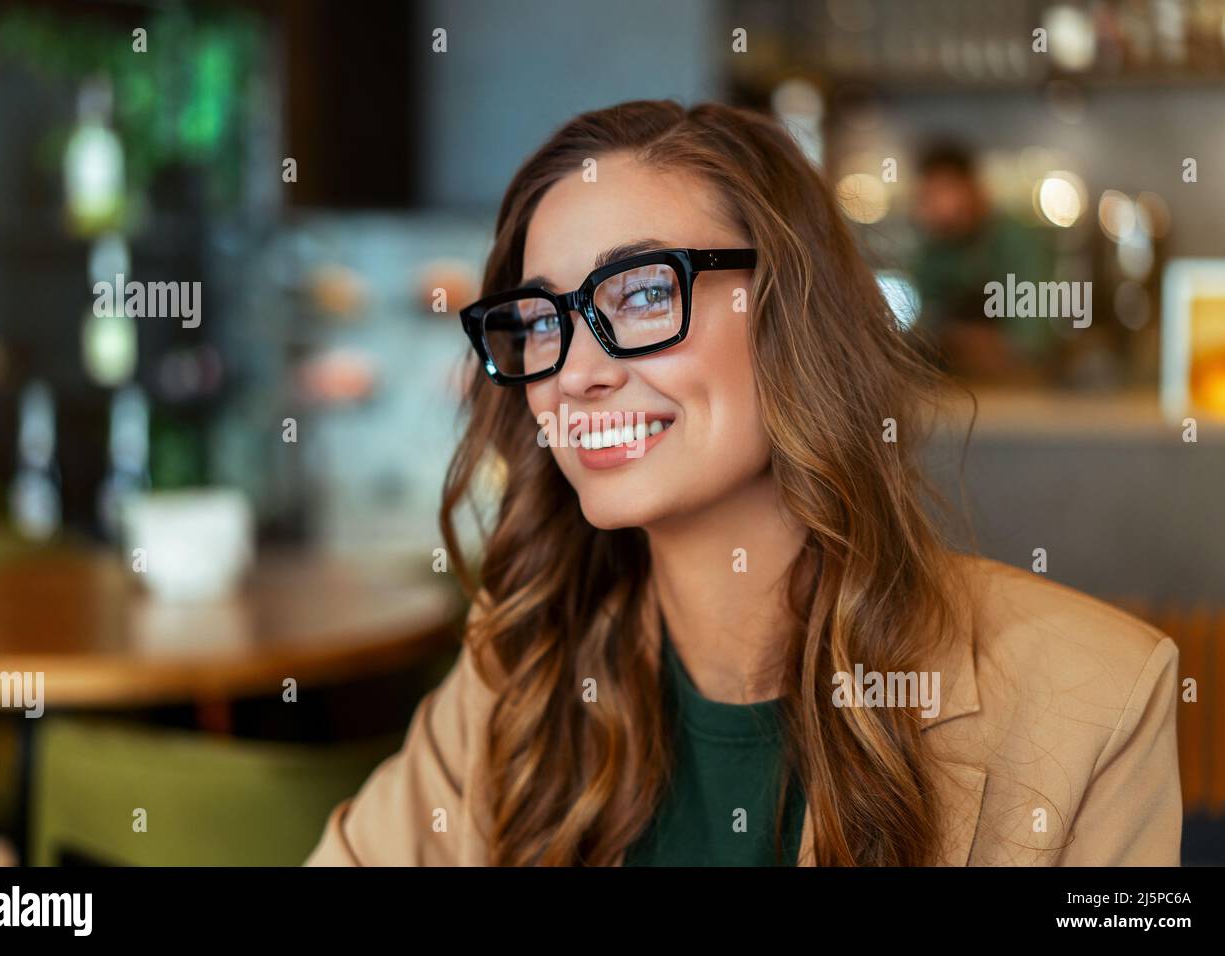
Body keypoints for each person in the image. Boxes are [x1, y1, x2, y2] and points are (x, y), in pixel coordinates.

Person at [306, 101, 1180, 866]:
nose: (574, 373)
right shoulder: (520, 674)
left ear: (791, 314)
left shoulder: (1097, 700)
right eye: (541, 321)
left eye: (643, 294)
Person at [910, 138, 1054, 383]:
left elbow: (1031, 343)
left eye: (945, 192)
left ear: (973, 189)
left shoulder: (1017, 243)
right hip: (955, 393)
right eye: (929, 196)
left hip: (1021, 391)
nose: (938, 207)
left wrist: (956, 342)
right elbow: (923, 333)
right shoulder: (931, 254)